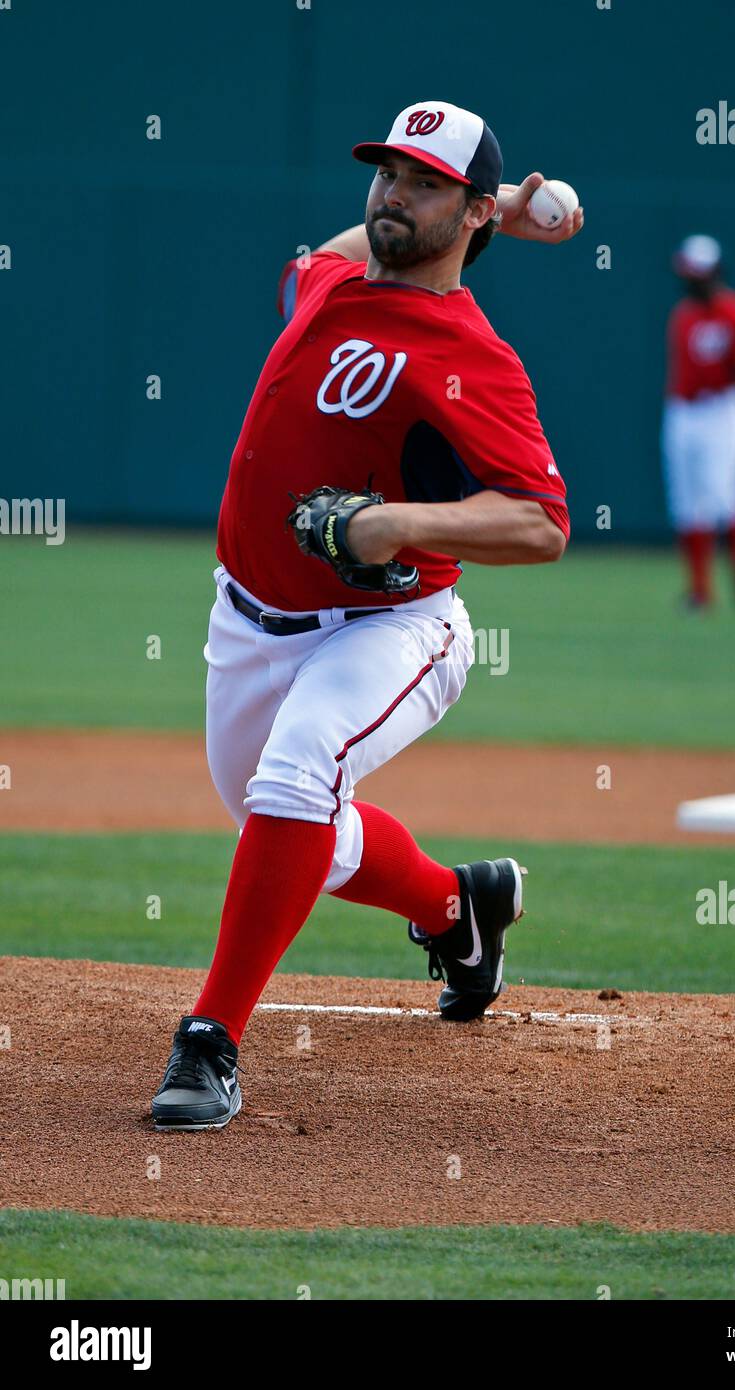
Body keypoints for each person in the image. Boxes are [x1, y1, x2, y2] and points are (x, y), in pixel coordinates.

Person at [150, 100, 583, 1131]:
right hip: (246, 620)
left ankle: (209, 1041)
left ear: (469, 208)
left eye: (424, 184)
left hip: (391, 626)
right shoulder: (334, 279)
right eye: (387, 174)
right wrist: (496, 221)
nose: (393, 196)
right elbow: (349, 245)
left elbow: (539, 522)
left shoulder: (470, 353)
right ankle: (457, 908)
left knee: (297, 773)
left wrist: (391, 522)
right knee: (291, 822)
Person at [661, 234, 735, 609]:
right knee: (685, 502)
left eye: (696, 274)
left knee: (721, 494)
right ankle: (699, 592)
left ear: (713, 273)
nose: (689, 281)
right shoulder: (683, 315)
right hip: (684, 412)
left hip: (725, 411)